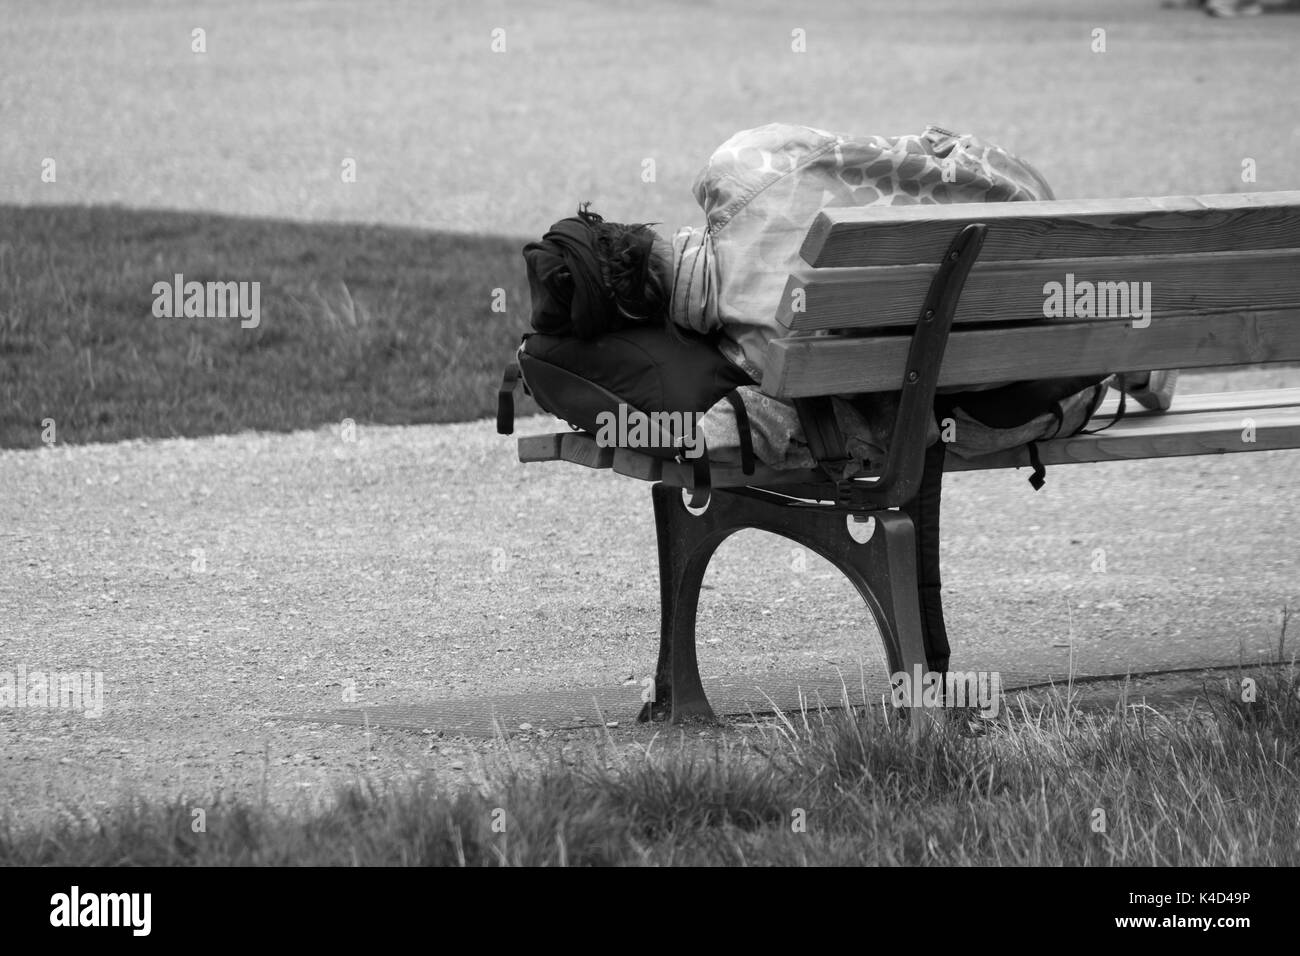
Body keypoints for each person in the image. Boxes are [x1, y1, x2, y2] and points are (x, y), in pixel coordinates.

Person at [523, 122, 1177, 473]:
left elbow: (768, 432)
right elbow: (853, 156)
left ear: (635, 319)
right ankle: (1122, 350)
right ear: (628, 229)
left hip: (1015, 362)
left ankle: (1115, 364)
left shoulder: (761, 348)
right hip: (1018, 201)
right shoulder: (740, 162)